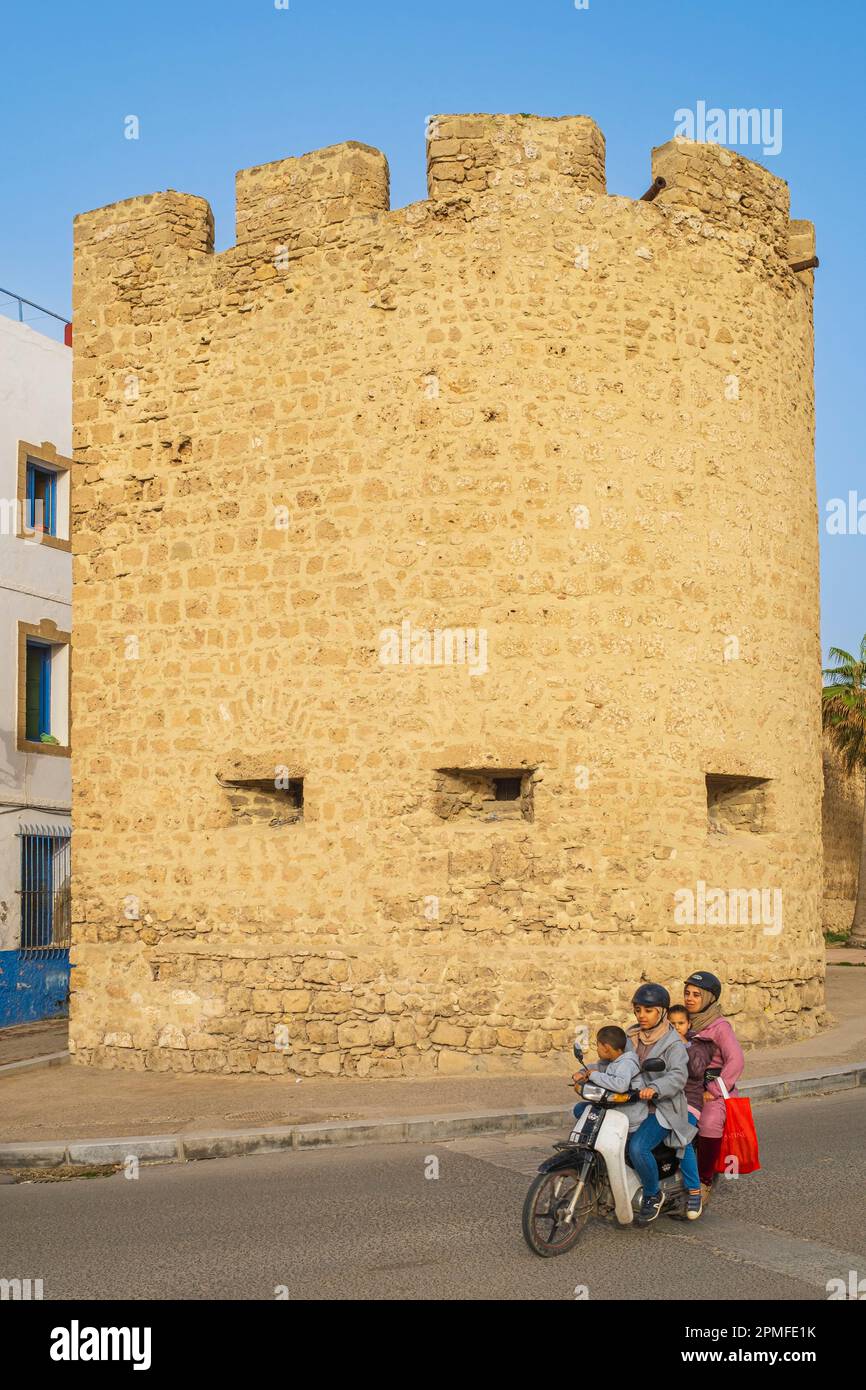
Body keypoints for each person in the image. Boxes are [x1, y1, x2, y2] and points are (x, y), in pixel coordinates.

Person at [626, 983, 703, 1224]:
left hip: (662, 1107)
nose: (641, 1015)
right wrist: (592, 1073)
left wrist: (656, 1088)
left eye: (648, 1010)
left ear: (661, 1012)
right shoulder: (631, 1036)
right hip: (631, 1103)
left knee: (639, 1148)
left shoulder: (673, 1043)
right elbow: (614, 1061)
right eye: (638, 1010)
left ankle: (653, 1194)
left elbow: (678, 1076)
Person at [683, 971, 745, 1198]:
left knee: (709, 1122)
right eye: (687, 993)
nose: (689, 998)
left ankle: (704, 1180)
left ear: (709, 998)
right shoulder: (682, 1021)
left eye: (696, 995)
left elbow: (736, 1060)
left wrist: (714, 1090)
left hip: (713, 1089)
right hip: (685, 1085)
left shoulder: (720, 1027)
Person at [572, 1024, 645, 1129]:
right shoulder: (612, 1061)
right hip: (612, 1107)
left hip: (628, 1116)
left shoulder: (627, 1064)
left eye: (598, 1046)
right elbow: (597, 1067)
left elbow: (621, 1085)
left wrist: (594, 1075)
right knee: (579, 1108)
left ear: (606, 1048)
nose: (597, 1049)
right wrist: (583, 1072)